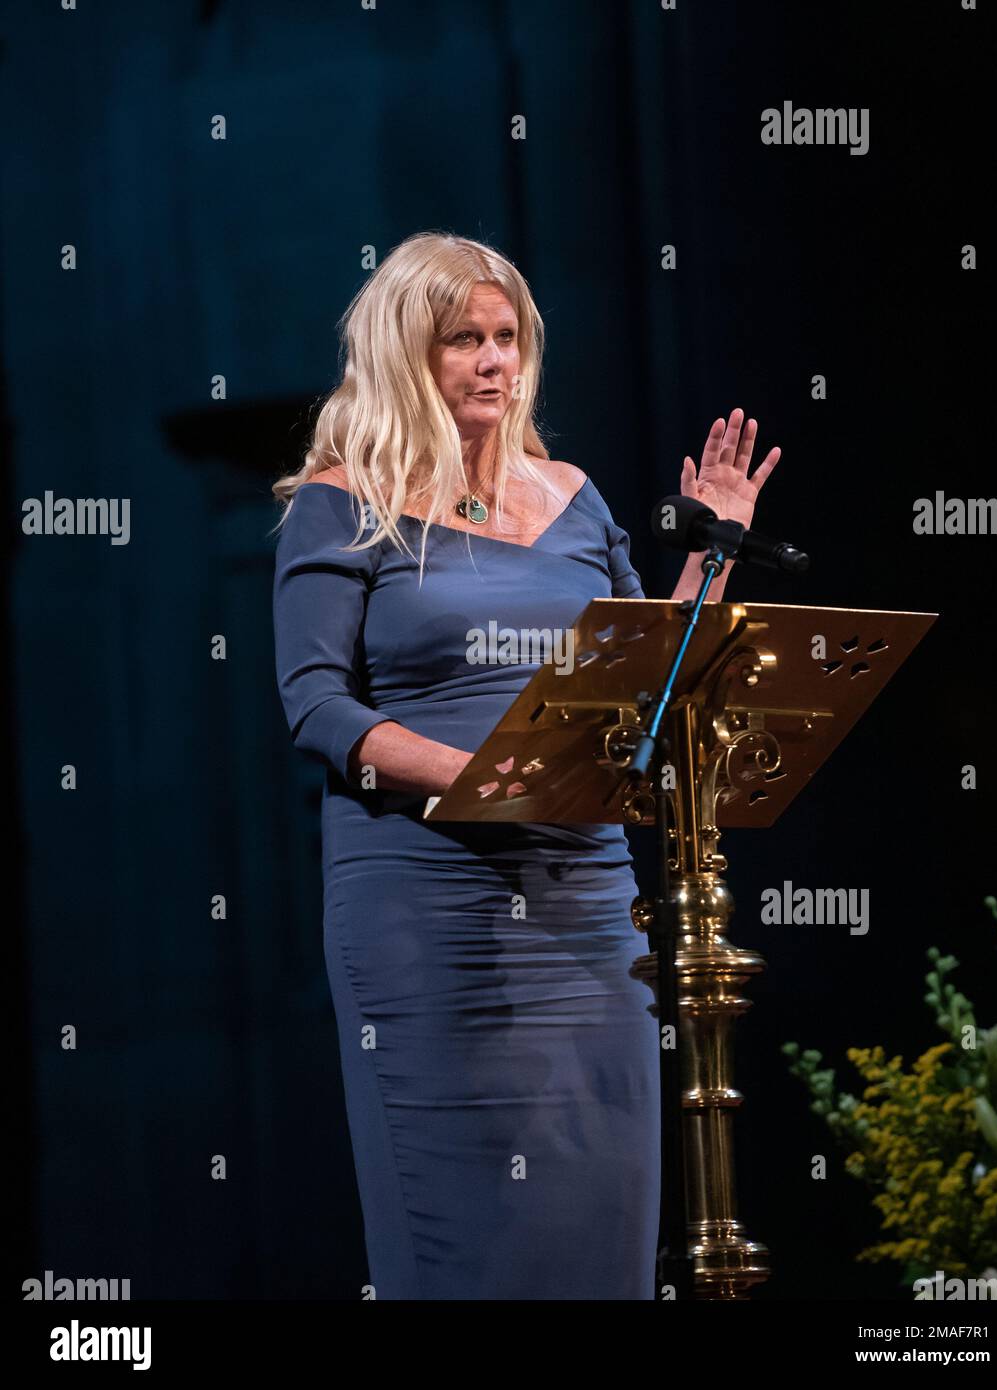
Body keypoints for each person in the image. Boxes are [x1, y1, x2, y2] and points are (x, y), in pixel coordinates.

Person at [271, 231, 781, 1299]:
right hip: (427, 908)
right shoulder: (343, 500)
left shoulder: (572, 496)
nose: (495, 360)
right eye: (466, 339)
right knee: (468, 1243)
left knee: (600, 1228)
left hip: (582, 906)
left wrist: (716, 547)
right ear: (408, 349)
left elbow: (652, 675)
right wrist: (483, 774)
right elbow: (316, 705)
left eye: (508, 338)